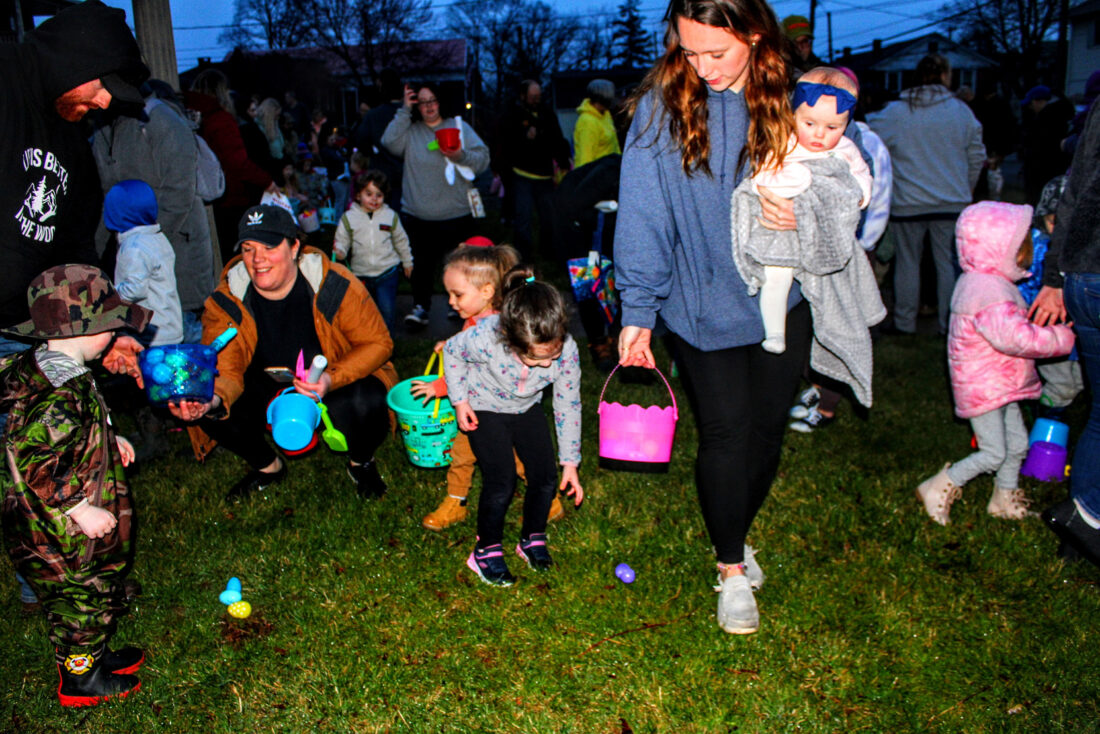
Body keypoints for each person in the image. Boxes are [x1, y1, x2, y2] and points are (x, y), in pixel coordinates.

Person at [615, 0, 805, 635]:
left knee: (767, 431)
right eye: (688, 51)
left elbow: (849, 182)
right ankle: (731, 567)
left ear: (754, 35)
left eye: (716, 52)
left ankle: (736, 531)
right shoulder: (662, 105)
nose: (701, 67)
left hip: (784, 299)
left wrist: (808, 214)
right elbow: (642, 214)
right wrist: (639, 308)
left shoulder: (800, 96)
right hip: (700, 301)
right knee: (725, 431)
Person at [1, 0, 151, 610]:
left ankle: (66, 579)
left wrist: (110, 328)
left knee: (57, 451)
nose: (105, 102)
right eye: (101, 86)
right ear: (72, 60)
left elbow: (79, 250)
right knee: (17, 463)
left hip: (33, 330)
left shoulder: (73, 141)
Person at [168, 205, 398, 501]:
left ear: (294, 247)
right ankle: (268, 467)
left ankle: (360, 462)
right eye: (248, 249)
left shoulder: (333, 283)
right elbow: (225, 368)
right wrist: (212, 400)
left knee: (367, 397)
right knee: (210, 399)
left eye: (269, 247)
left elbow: (378, 343)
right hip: (263, 387)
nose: (257, 259)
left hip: (326, 383)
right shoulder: (227, 299)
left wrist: (331, 379)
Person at [0, 264, 152, 706]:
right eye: (110, 324)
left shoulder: (58, 368)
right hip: (59, 530)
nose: (115, 333)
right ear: (86, 329)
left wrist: (108, 438)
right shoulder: (59, 389)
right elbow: (34, 456)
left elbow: (70, 431)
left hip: (65, 524)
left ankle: (95, 655)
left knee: (95, 589)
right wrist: (79, 509)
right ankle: (80, 678)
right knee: (79, 598)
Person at [916, 202, 1074, 524]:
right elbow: (1013, 337)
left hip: (1001, 383)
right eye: (1022, 246)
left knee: (1017, 444)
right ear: (999, 248)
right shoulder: (986, 290)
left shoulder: (991, 283)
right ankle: (939, 485)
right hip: (984, 386)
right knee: (993, 452)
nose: (1028, 253)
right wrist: (1059, 338)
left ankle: (1003, 499)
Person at [731, 67, 878, 379]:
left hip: (823, 237)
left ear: (846, 125)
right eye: (809, 124)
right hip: (781, 232)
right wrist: (796, 183)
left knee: (833, 284)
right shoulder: (783, 144)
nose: (820, 134)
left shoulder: (846, 149)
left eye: (832, 127)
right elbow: (762, 181)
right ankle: (775, 332)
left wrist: (857, 197)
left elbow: (861, 179)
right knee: (777, 277)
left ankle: (840, 330)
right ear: (793, 115)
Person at [411, 242, 567, 531]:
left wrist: (439, 388)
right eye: (449, 294)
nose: (451, 302)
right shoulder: (477, 321)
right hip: (474, 410)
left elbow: (475, 372)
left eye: (457, 294)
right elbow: (466, 354)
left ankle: (549, 501)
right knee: (462, 455)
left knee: (516, 459)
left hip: (497, 411)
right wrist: (453, 344)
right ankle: (455, 502)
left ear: (486, 291)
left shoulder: (499, 330)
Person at [444, 268, 583, 586]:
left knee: (545, 476)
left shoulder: (567, 351)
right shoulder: (487, 337)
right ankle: (485, 551)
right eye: (537, 359)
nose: (547, 365)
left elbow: (567, 405)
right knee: (501, 480)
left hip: (526, 407)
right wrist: (461, 401)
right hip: (485, 406)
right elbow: (452, 352)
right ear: (511, 341)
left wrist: (570, 462)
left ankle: (532, 537)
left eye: (553, 355)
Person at [867, 53, 986, 335]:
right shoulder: (961, 111)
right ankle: (950, 325)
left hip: (908, 202)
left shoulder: (896, 112)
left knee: (907, 264)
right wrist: (965, 187)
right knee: (947, 265)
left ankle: (905, 323)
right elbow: (976, 154)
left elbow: (869, 138)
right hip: (951, 201)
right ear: (945, 76)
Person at [1029, 102, 1100, 567]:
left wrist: (1055, 277)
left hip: (1083, 276)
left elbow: (1074, 192)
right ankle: (1088, 518)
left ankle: (1082, 536)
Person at [91, 81, 217, 345]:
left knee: (181, 344)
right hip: (134, 260)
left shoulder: (158, 119)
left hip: (176, 257)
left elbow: (179, 192)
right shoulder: (103, 124)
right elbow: (105, 195)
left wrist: (147, 244)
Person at [381, 82, 490, 327]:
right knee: (421, 266)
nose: (429, 106)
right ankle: (421, 307)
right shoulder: (410, 132)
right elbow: (388, 141)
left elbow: (483, 159)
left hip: (457, 213)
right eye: (422, 102)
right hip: (418, 214)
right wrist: (404, 109)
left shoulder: (458, 127)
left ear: (440, 102)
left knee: (459, 266)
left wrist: (460, 155)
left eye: (432, 100)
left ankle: (459, 307)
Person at [185, 70, 277, 262]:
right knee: (239, 256)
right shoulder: (220, 119)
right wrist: (267, 181)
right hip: (230, 198)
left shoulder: (190, 116)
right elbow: (237, 162)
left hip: (201, 193)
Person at [1016, 177, 1083, 416]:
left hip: (1073, 333)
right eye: (1055, 222)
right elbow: (1024, 288)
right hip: (1046, 330)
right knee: (1062, 385)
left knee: (1076, 383)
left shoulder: (1084, 252)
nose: (1063, 230)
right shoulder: (1038, 248)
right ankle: (1044, 421)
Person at [104, 180, 183, 347]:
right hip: (170, 325)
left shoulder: (134, 247)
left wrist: (108, 296)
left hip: (151, 334)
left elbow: (134, 289)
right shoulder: (157, 236)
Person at [333, 170, 412, 334]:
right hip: (360, 274)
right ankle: (368, 341)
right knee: (364, 312)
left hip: (387, 272)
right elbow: (342, 240)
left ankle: (386, 342)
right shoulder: (349, 218)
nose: (374, 199)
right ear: (358, 195)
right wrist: (340, 251)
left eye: (379, 195)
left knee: (386, 311)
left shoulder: (390, 216)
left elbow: (401, 240)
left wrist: (407, 261)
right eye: (369, 194)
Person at [501, 80, 573, 259]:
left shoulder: (548, 114)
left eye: (538, 96)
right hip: (522, 176)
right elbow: (505, 144)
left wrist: (564, 163)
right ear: (523, 96)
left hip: (545, 177)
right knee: (523, 219)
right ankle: (523, 257)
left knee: (548, 218)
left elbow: (558, 140)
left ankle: (548, 253)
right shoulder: (513, 115)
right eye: (532, 97)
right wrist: (524, 138)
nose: (536, 100)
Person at [1020, 85, 1074, 205]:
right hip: (1054, 173)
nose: (1031, 108)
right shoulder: (1063, 116)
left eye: (1031, 104)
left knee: (1041, 202)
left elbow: (1038, 148)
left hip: (1043, 172)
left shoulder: (1046, 120)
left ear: (1038, 101)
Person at [573, 79, 622, 169]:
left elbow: (614, 145)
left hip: (609, 170)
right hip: (596, 174)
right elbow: (586, 157)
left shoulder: (605, 115)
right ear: (603, 98)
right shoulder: (587, 121)